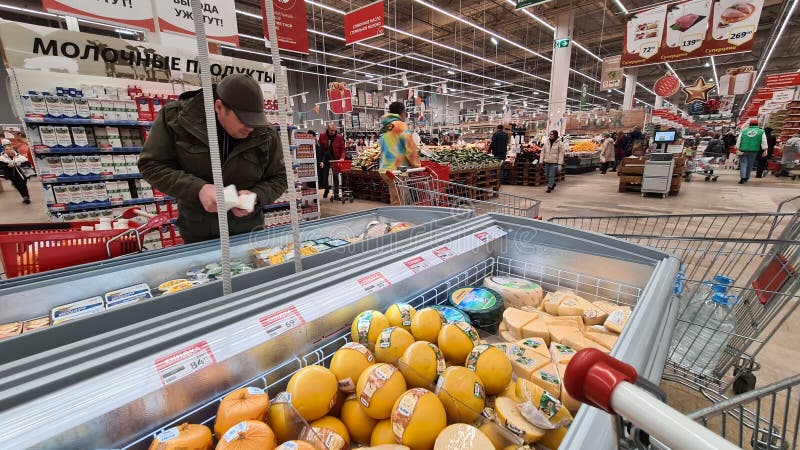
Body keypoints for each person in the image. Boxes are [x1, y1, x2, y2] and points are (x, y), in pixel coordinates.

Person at [138, 74, 287, 243]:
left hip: (248, 230)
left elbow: (280, 176)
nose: (251, 127)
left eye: (255, 120)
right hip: (198, 232)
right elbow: (151, 165)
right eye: (244, 120)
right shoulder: (176, 120)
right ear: (219, 107)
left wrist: (256, 196)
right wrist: (198, 189)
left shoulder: (266, 133)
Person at [378, 101, 421, 205]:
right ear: (402, 113)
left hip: (385, 168)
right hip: (397, 170)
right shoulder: (401, 126)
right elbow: (410, 148)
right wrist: (417, 165)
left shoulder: (385, 127)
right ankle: (398, 221)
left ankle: (398, 219)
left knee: (396, 198)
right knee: (400, 202)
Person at [734, 119, 768, 184]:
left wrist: (737, 148)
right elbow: (764, 141)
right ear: (757, 124)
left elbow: (739, 140)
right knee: (750, 164)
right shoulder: (761, 131)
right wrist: (765, 149)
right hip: (754, 150)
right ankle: (747, 177)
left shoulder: (743, 131)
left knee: (743, 163)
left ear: (749, 124)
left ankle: (743, 177)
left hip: (743, 149)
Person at [318, 123, 345, 199]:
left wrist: (342, 158)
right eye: (331, 130)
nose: (333, 132)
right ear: (328, 129)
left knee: (335, 177)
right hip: (325, 159)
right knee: (325, 177)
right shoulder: (322, 135)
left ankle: (336, 194)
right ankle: (326, 189)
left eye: (334, 130)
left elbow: (343, 149)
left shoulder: (339, 137)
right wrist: (321, 160)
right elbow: (321, 149)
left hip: (335, 159)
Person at [0, 139, 31, 204]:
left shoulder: (20, 157)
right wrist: (7, 165)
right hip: (11, 175)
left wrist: (20, 164)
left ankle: (26, 197)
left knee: (23, 185)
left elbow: (28, 164)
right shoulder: (2, 158)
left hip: (22, 174)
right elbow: (1, 165)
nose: (8, 150)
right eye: (6, 149)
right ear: (4, 149)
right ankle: (24, 196)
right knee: (17, 186)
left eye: (10, 149)